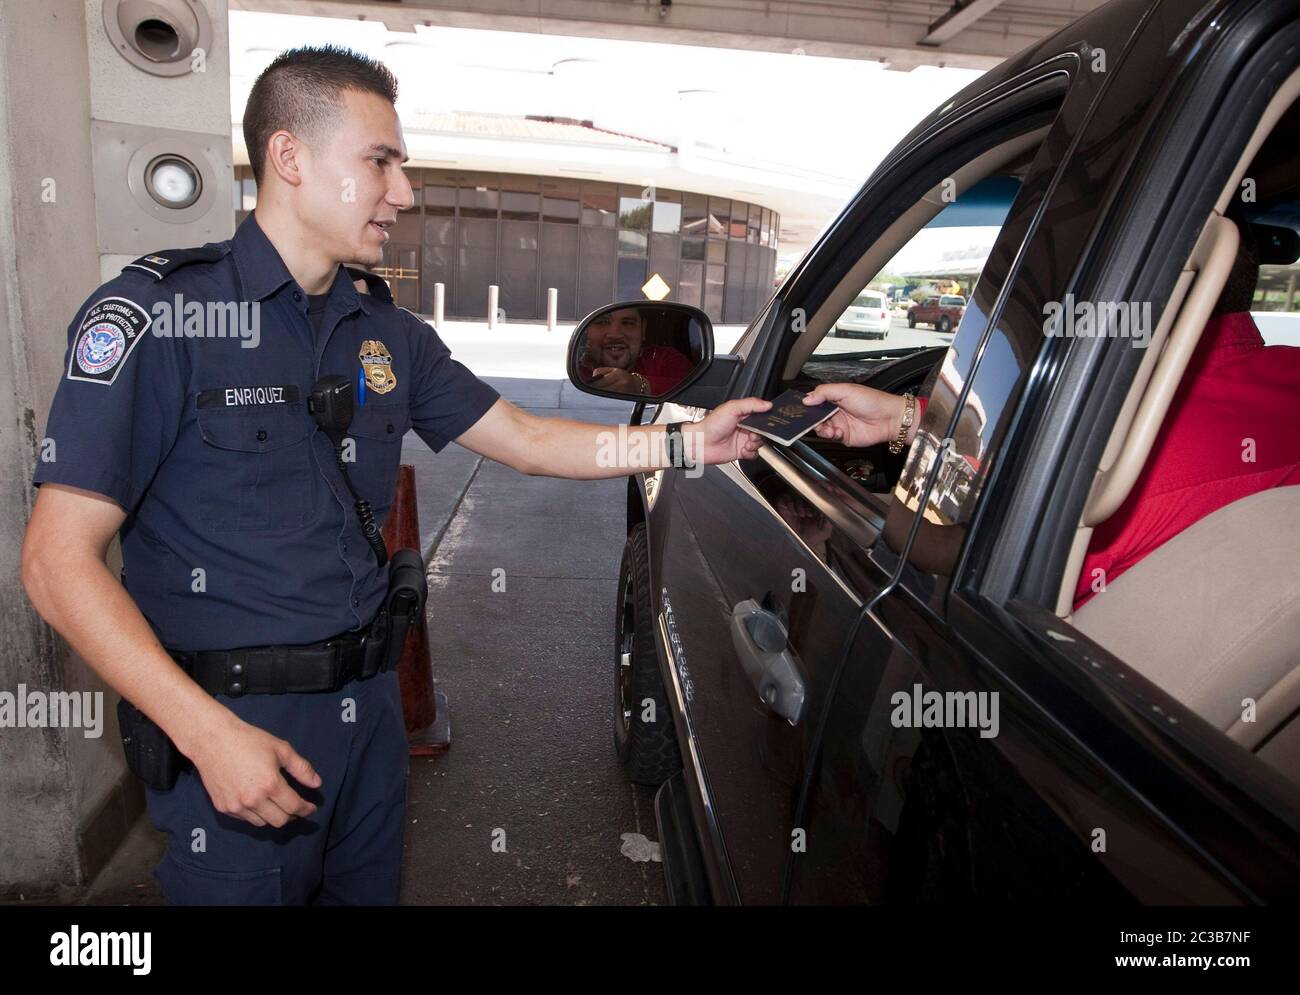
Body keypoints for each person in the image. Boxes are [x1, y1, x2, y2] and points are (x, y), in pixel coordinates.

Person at [20, 45, 770, 906]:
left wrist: (687, 444)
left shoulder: (389, 333)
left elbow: (526, 438)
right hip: (230, 726)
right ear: (290, 157)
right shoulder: (158, 317)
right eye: (380, 161)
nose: (403, 192)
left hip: (371, 718)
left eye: (401, 165)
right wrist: (205, 733)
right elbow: (56, 561)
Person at [576, 306, 695, 395]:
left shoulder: (664, 359)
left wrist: (639, 385)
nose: (615, 334)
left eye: (628, 323)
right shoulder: (577, 372)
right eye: (602, 322)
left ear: (643, 330)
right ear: (586, 331)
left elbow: (696, 391)